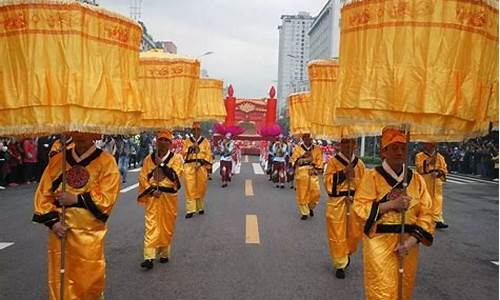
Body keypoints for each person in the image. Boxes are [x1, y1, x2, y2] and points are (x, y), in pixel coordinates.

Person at [32, 131, 120, 299]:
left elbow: (108, 198)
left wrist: (76, 199)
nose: (81, 135)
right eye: (76, 130)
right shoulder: (58, 161)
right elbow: (43, 196)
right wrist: (53, 223)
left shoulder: (107, 162)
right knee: (60, 279)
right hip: (61, 231)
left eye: (86, 131)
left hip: (89, 232)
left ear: (95, 133)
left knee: (88, 278)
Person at [353, 127, 434, 300]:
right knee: (381, 290)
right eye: (394, 148)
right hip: (379, 243)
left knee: (403, 290)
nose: (399, 152)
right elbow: (359, 208)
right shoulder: (372, 177)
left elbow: (427, 213)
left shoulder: (416, 180)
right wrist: (391, 204)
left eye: (403, 148)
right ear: (384, 151)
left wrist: (411, 242)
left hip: (408, 245)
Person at [138, 131, 183, 270]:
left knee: (166, 225)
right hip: (153, 195)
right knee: (151, 224)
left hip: (169, 197)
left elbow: (175, 177)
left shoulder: (176, 158)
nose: (162, 142)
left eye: (165, 140)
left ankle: (164, 253)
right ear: (156, 142)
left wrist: (162, 165)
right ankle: (149, 256)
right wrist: (151, 190)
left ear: (170, 144)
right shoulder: (148, 159)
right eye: (160, 139)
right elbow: (142, 177)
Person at [323, 138, 366, 279]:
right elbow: (328, 183)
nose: (348, 145)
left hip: (354, 203)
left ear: (356, 145)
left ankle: (346, 252)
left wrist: (355, 196)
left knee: (353, 234)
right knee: (337, 233)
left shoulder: (360, 165)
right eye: (345, 142)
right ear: (340, 144)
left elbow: (366, 188)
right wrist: (342, 174)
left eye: (352, 142)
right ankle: (339, 262)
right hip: (337, 203)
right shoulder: (333, 163)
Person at [182, 122, 213, 218]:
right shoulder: (187, 141)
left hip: (201, 167)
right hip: (189, 166)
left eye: (198, 130)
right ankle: (190, 209)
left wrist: (202, 163)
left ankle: (200, 207)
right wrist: (191, 148)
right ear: (192, 131)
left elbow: (208, 155)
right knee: (189, 187)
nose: (196, 132)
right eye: (194, 130)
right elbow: (183, 153)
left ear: (200, 131)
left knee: (201, 187)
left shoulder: (205, 142)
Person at [290, 133, 323, 220]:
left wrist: (316, 169)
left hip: (312, 172)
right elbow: (293, 161)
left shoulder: (317, 149)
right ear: (303, 138)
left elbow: (319, 163)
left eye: (309, 137)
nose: (308, 139)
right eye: (306, 137)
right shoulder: (298, 148)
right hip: (301, 173)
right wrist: (303, 157)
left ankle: (310, 207)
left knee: (316, 193)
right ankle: (304, 212)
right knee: (302, 193)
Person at [415, 142, 449, 229]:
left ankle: (437, 219)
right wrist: (428, 161)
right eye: (426, 144)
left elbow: (444, 170)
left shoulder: (440, 157)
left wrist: (438, 173)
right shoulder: (419, 156)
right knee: (425, 199)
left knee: (437, 200)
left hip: (436, 181)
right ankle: (424, 218)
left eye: (429, 144)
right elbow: (419, 168)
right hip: (425, 180)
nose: (426, 145)